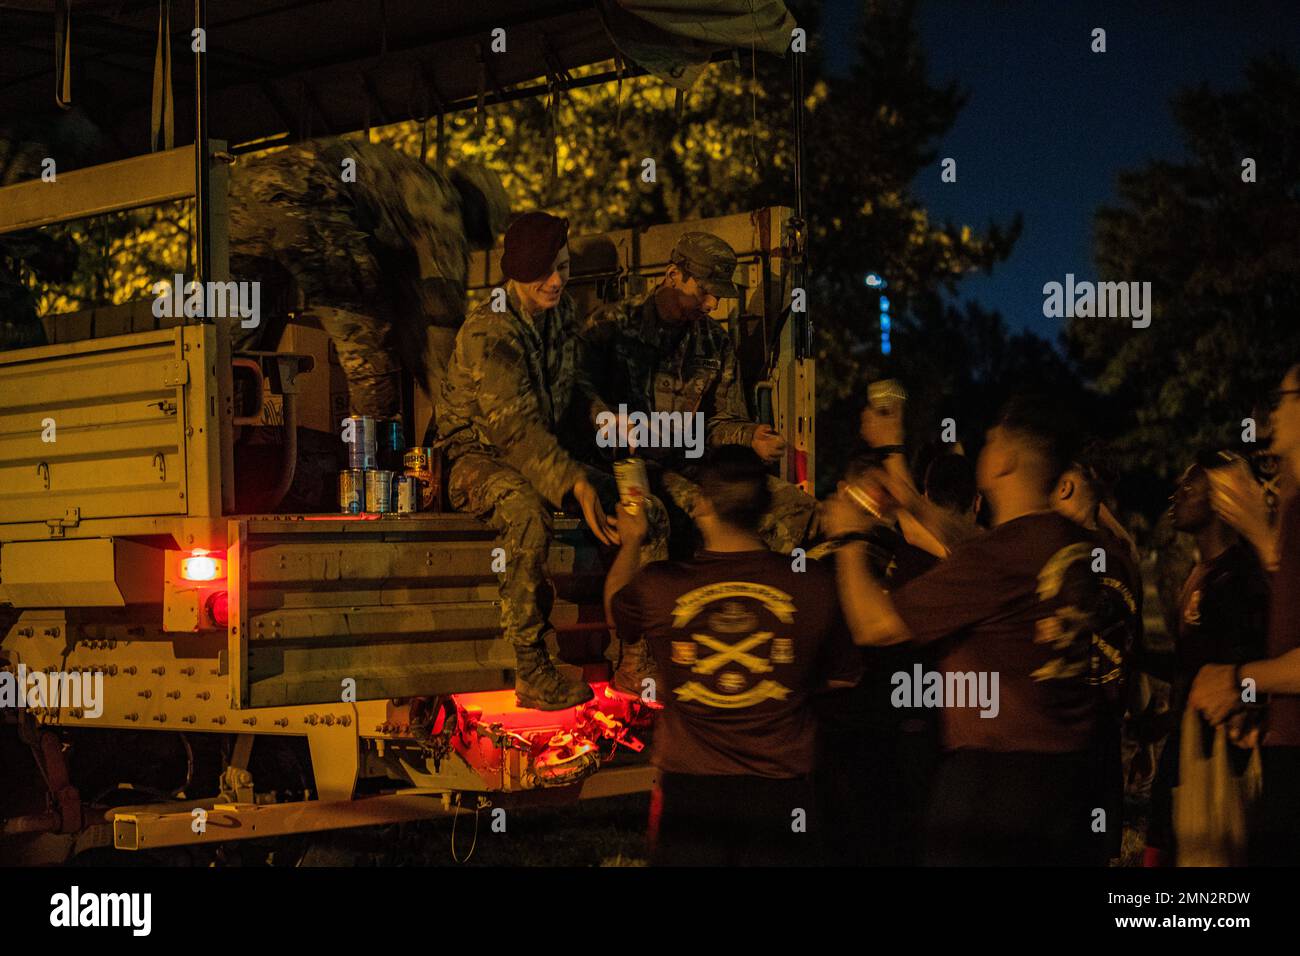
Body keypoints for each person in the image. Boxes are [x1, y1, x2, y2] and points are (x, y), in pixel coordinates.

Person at [828, 395, 1113, 865]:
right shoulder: (1072, 544)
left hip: (994, 783)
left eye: (989, 443)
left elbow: (875, 626)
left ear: (1005, 460)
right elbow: (975, 546)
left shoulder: (998, 557)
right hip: (1066, 776)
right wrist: (903, 486)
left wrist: (848, 538)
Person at [438, 212, 668, 709]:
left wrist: (602, 417)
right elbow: (514, 430)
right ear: (517, 271)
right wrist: (573, 483)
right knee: (525, 513)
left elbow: (572, 387)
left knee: (645, 509)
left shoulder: (557, 316)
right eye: (546, 271)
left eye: (562, 268)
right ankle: (532, 665)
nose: (558, 280)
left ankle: (635, 656)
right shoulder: (490, 330)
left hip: (540, 451)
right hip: (476, 455)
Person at [605, 446, 860, 865]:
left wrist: (632, 542)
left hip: (691, 797)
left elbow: (618, 610)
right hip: (782, 797)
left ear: (702, 504)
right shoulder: (813, 586)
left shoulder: (660, 586)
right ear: (765, 507)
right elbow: (841, 678)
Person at [229, 138, 510, 419]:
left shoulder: (404, 178)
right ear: (479, 216)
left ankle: (225, 441)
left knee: (230, 348)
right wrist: (458, 414)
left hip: (240, 199)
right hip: (308, 196)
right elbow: (441, 324)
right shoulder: (444, 210)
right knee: (368, 343)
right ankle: (372, 454)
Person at [579, 232, 818, 555]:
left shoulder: (713, 342)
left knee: (796, 507)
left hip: (693, 464)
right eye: (704, 291)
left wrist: (750, 437)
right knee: (701, 511)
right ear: (674, 275)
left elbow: (718, 422)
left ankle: (757, 595)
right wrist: (606, 421)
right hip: (626, 467)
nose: (712, 304)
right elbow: (575, 394)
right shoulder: (611, 327)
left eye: (718, 295)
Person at [813, 452, 977, 865]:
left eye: (881, 493)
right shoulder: (814, 560)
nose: (873, 503)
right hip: (837, 734)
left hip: (899, 732)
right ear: (841, 494)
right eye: (865, 492)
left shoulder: (914, 560)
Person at [1190, 362, 1300, 864]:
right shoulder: (1294, 516)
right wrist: (1257, 697)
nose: (1269, 415)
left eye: (1282, 399)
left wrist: (1238, 679)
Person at [1145, 453, 1269, 864]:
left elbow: (1239, 677)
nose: (1174, 496)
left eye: (1187, 488)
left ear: (1219, 500)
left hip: (1214, 756)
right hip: (1185, 742)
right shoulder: (1202, 573)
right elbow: (1191, 667)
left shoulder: (1239, 578)